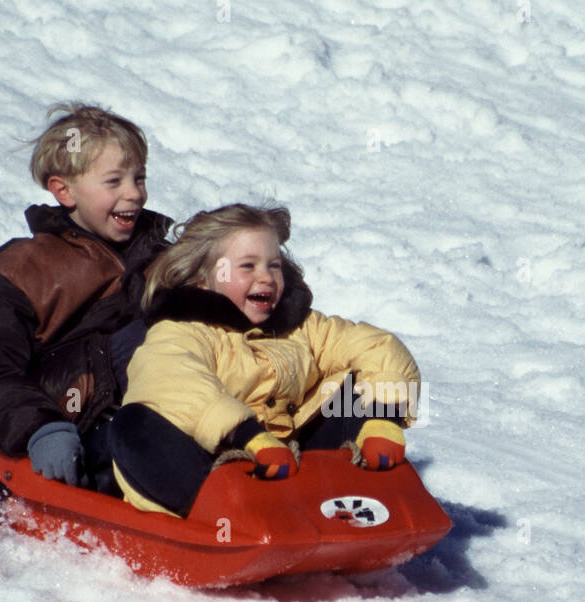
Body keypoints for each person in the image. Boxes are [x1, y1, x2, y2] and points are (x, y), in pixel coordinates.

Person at [109, 204, 420, 516]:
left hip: (291, 470)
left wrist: (382, 415)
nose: (267, 277)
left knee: (356, 388)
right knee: (133, 425)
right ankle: (226, 513)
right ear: (202, 279)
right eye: (248, 266)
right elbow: (175, 382)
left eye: (273, 266)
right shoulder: (182, 331)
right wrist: (246, 436)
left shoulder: (300, 327)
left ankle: (368, 494)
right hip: (217, 472)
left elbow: (377, 346)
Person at [0, 102, 172, 494]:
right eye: (114, 182)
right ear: (64, 190)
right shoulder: (18, 270)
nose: (134, 193)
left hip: (161, 404)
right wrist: (40, 427)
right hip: (71, 418)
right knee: (150, 338)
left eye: (139, 178)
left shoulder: (163, 258)